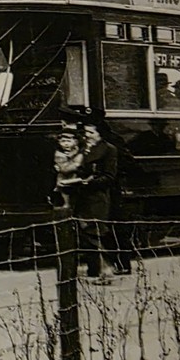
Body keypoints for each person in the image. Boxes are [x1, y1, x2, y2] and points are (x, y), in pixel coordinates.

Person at [56, 106, 119, 283]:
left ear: (99, 133)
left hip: (96, 197)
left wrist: (86, 182)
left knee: (93, 234)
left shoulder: (108, 149)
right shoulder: (83, 149)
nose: (87, 134)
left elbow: (108, 176)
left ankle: (106, 271)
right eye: (86, 132)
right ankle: (95, 270)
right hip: (80, 197)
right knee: (85, 235)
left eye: (91, 132)